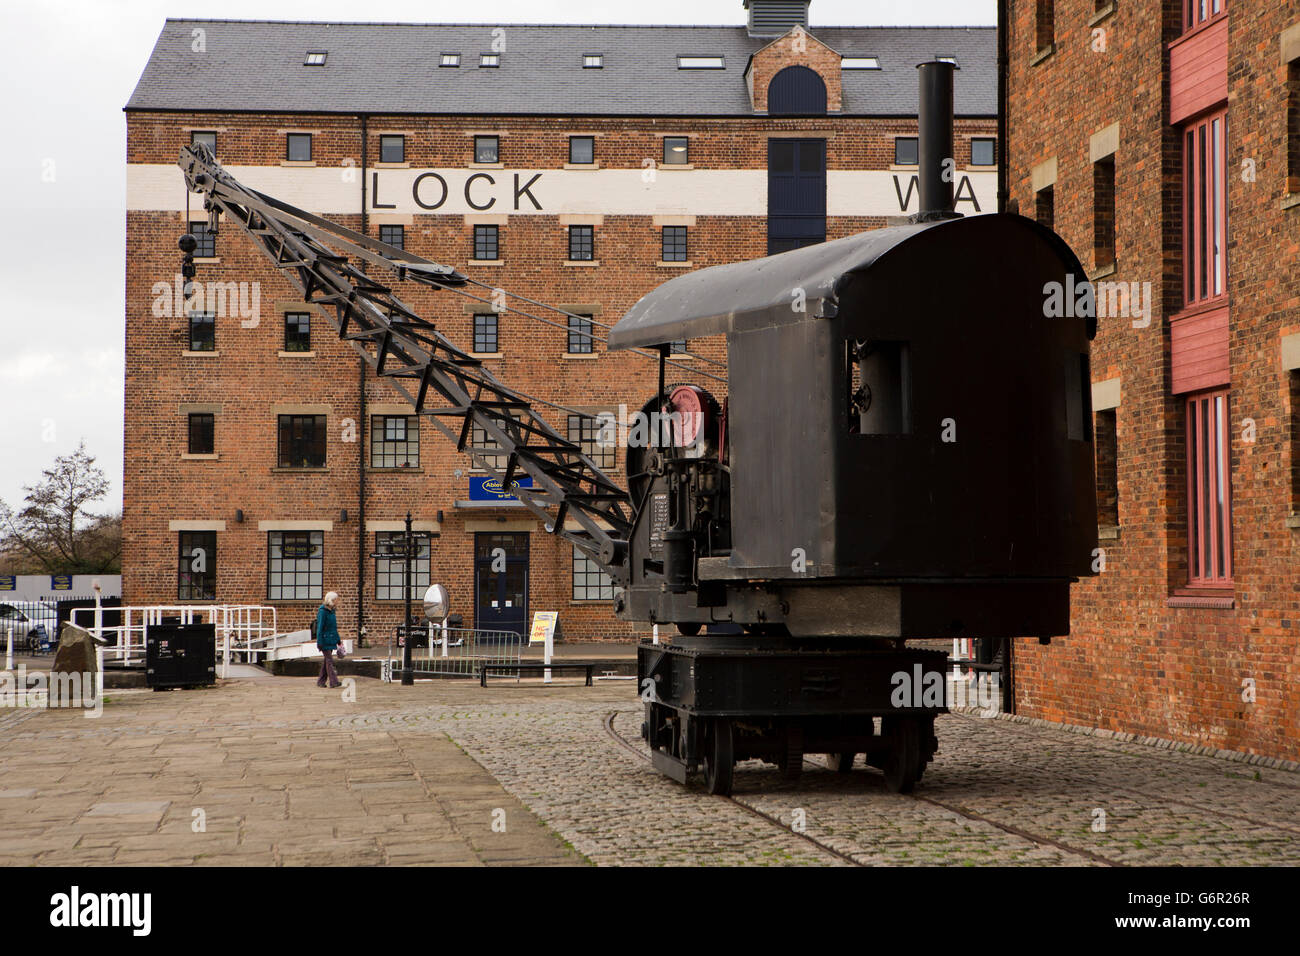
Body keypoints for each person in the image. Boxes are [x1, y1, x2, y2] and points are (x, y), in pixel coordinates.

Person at [315, 591, 342, 688]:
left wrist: (338, 640)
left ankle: (321, 681)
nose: (337, 601)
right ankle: (333, 682)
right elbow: (320, 627)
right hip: (325, 640)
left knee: (327, 661)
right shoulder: (322, 611)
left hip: (331, 639)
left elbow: (333, 628)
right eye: (336, 600)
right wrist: (319, 641)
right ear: (331, 600)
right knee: (329, 660)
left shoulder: (332, 611)